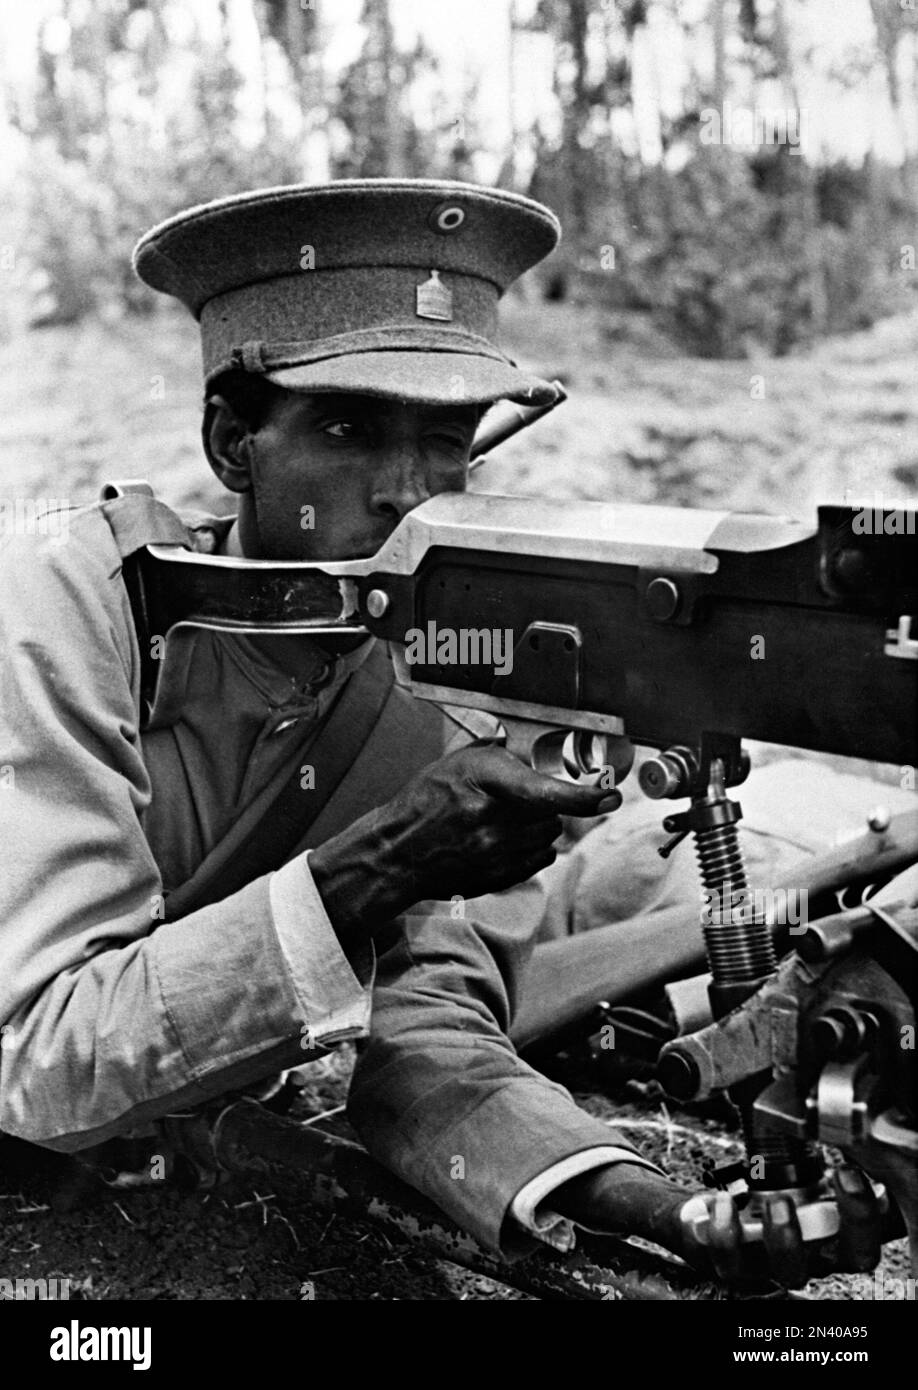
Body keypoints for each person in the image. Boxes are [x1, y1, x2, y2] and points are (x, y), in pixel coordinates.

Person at [0, 179, 886, 1285]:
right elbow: (36, 1061)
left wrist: (656, 1205)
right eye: (349, 427)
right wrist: (375, 864)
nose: (411, 493)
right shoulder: (65, 607)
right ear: (233, 440)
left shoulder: (443, 657)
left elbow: (425, 1016)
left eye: (450, 440)